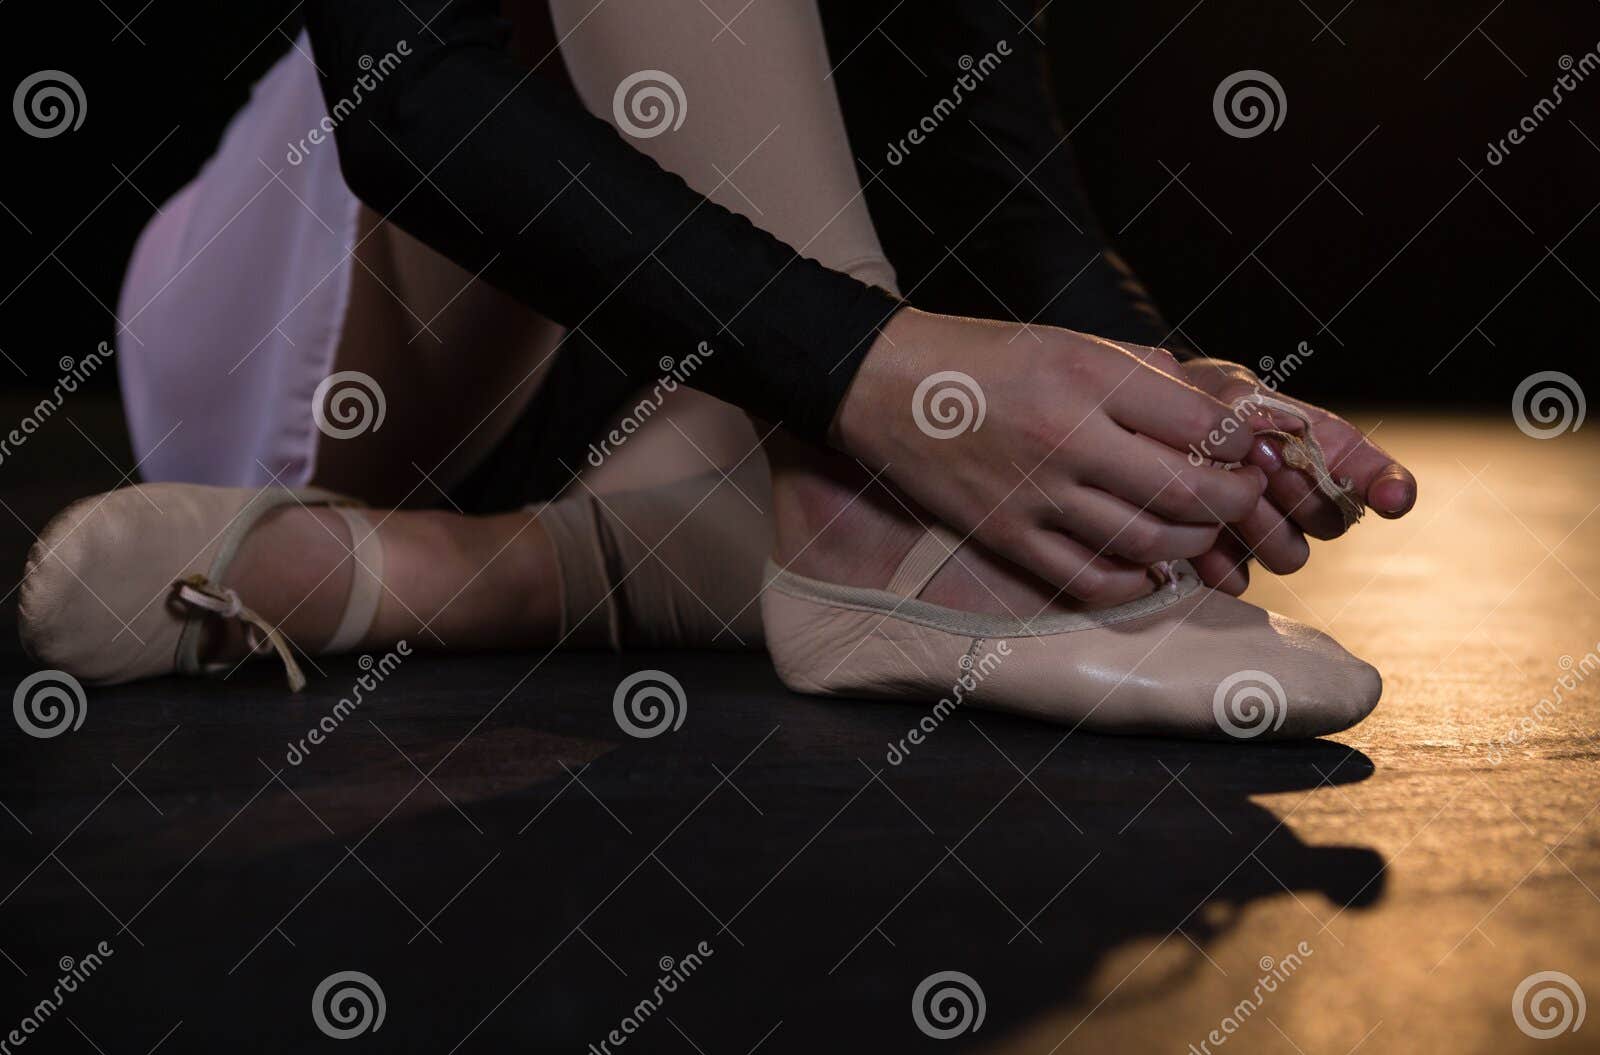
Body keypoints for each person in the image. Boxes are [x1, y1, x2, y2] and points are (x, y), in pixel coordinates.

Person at [18, 0, 1414, 738]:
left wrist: (1161, 393)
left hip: (665, 332)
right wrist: (868, 364)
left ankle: (463, 574)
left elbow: (985, 123)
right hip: (344, 281)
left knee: (889, 444)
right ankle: (843, 524)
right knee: (877, 428)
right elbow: (410, 89)